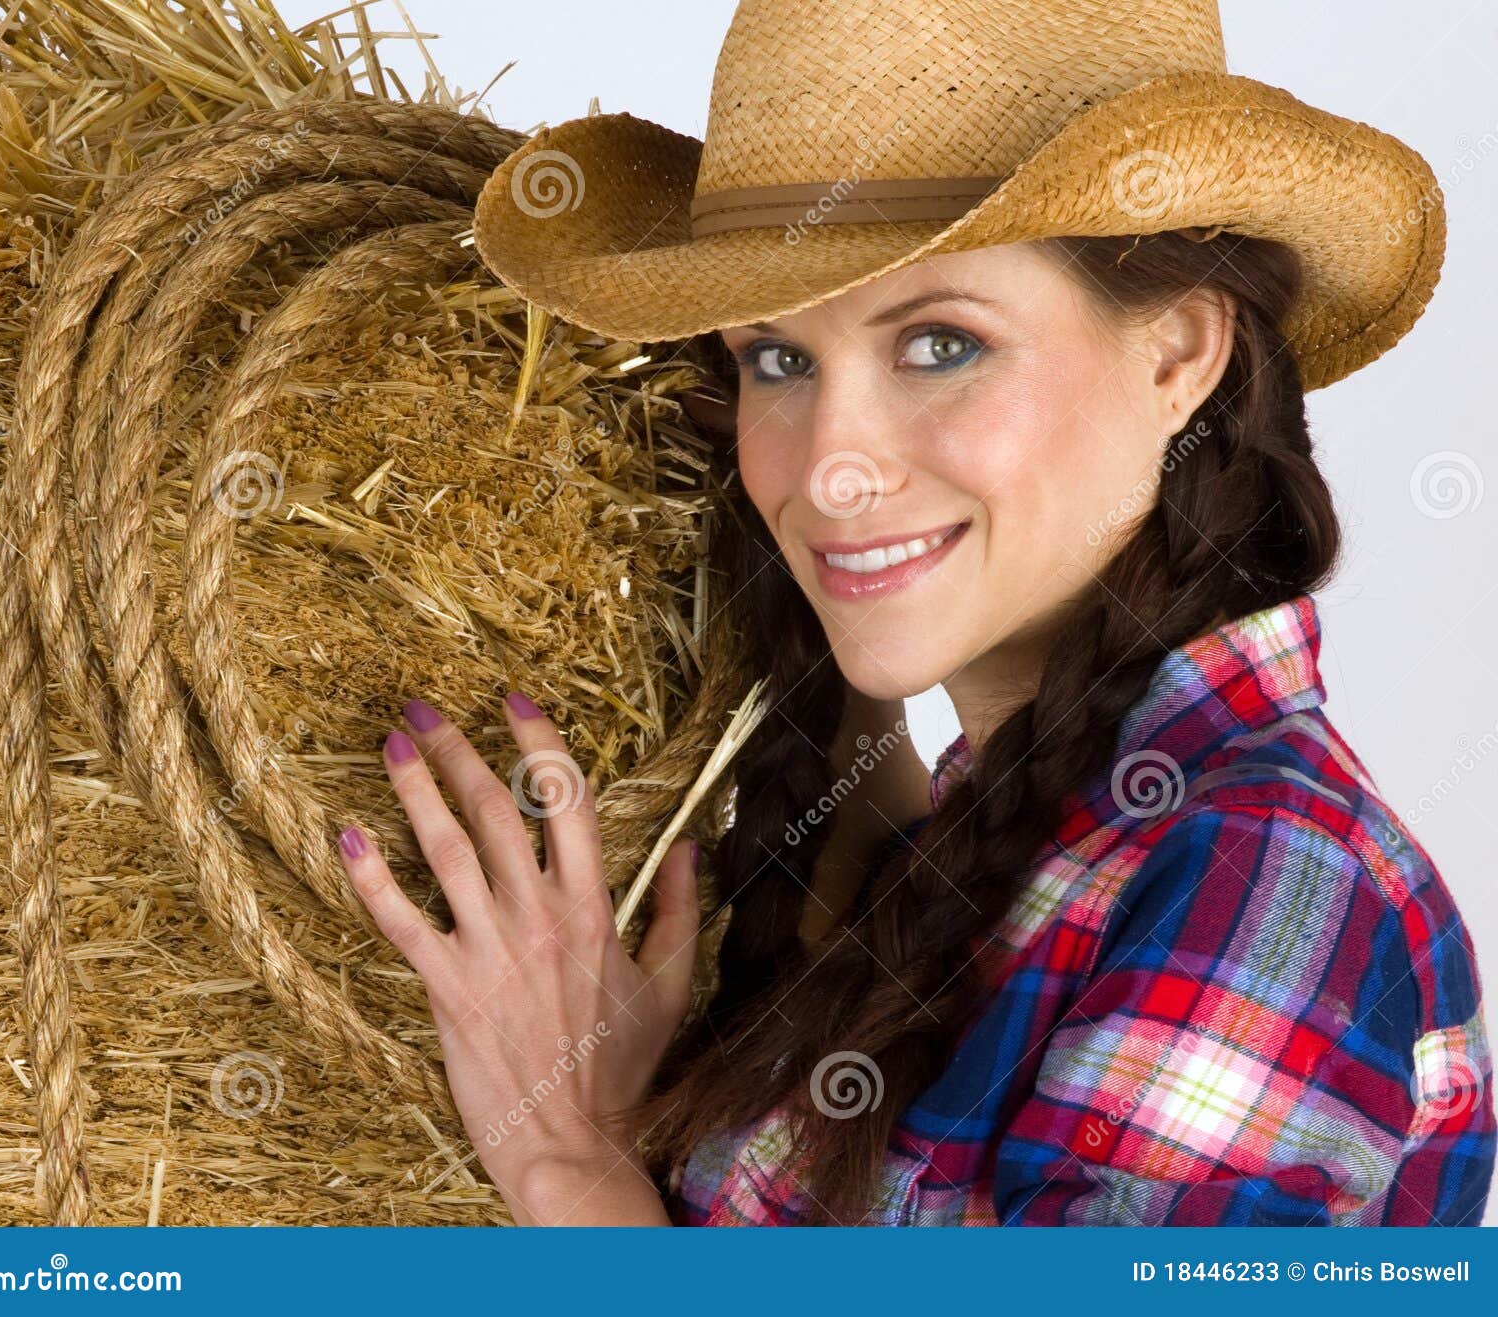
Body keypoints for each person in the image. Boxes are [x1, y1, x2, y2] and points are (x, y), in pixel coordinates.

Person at [334, 0, 1496, 1224]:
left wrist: (569, 1171)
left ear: (1176, 357)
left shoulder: (1264, 869)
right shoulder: (991, 833)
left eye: (940, 343)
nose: (829, 468)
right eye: (777, 360)